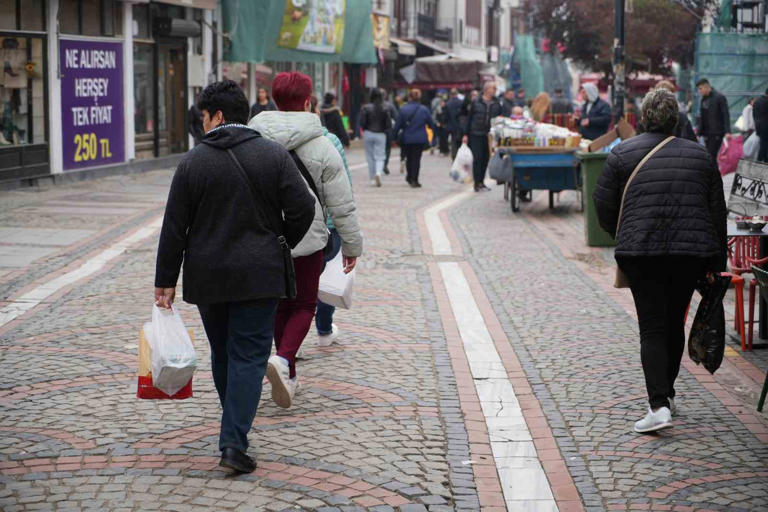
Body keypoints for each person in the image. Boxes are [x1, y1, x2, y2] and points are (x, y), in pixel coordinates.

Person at [154, 80, 316, 473]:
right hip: (259, 276)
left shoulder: (193, 162)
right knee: (248, 355)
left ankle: (234, 431)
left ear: (219, 116)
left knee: (225, 353)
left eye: (204, 116)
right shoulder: (273, 156)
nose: (201, 124)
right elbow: (304, 209)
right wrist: (280, 243)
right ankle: (233, 441)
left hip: (208, 277)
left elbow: (174, 226)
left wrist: (165, 280)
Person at [593, 88, 727, 434]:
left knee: (652, 327)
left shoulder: (621, 154)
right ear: (676, 120)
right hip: (688, 255)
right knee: (672, 324)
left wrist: (622, 235)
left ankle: (658, 405)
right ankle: (666, 394)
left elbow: (604, 207)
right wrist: (716, 261)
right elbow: (716, 213)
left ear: (642, 118)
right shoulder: (700, 156)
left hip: (643, 255)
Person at [249, 72, 362, 409]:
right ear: (308, 100)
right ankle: (283, 361)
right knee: (304, 304)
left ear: (273, 99)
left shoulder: (254, 140)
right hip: (308, 237)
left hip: (265, 236)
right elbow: (341, 202)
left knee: (280, 304)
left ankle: (289, 374)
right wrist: (353, 246)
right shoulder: (323, 144)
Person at [309, 95, 351, 347]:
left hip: (289, 227)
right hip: (326, 226)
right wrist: (350, 237)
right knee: (326, 280)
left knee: (296, 285)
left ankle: (286, 343)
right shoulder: (331, 141)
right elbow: (344, 191)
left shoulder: (271, 141)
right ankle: (324, 330)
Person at [393, 88, 436, 188]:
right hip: (420, 138)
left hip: (407, 138)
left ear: (410, 97)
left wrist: (394, 137)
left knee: (409, 158)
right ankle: (415, 179)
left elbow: (397, 125)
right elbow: (431, 124)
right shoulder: (424, 109)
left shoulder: (404, 109)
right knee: (417, 159)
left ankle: (409, 176)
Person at [463, 81, 500, 192]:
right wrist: (465, 134)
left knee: (485, 158)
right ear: (487, 89)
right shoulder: (476, 102)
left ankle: (482, 182)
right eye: (493, 88)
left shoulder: (496, 103)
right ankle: (477, 182)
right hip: (476, 133)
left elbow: (499, 118)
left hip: (489, 136)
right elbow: (469, 119)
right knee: (477, 158)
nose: (495, 90)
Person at [696, 78, 731, 168]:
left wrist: (727, 131)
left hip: (717, 132)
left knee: (711, 156)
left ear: (706, 87)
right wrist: (698, 133)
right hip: (707, 133)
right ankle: (713, 178)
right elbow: (702, 117)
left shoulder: (720, 97)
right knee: (709, 157)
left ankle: (714, 178)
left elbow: (725, 114)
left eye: (700, 89)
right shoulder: (703, 100)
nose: (699, 91)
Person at [360, 88, 391, 187]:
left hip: (368, 133)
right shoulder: (385, 108)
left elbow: (362, 123)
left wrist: (365, 129)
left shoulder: (366, 108)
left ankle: (372, 178)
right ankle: (378, 172)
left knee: (370, 156)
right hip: (381, 134)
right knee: (380, 156)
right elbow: (388, 124)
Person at [382, 90, 399, 175]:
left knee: (377, 149)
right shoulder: (390, 106)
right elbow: (396, 117)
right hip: (387, 130)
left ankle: (378, 165)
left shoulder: (370, 106)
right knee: (387, 148)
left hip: (375, 131)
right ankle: (384, 164)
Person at [446, 88, 464, 159]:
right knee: (460, 142)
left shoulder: (448, 103)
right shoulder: (461, 102)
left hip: (451, 126)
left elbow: (446, 116)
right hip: (460, 125)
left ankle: (454, 156)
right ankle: (460, 156)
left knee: (453, 142)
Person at [754, 88, 768, 163]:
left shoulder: (757, 101)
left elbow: (754, 115)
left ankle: (765, 161)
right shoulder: (766, 102)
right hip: (766, 128)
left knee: (764, 145)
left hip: (759, 127)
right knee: (764, 146)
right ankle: (758, 161)